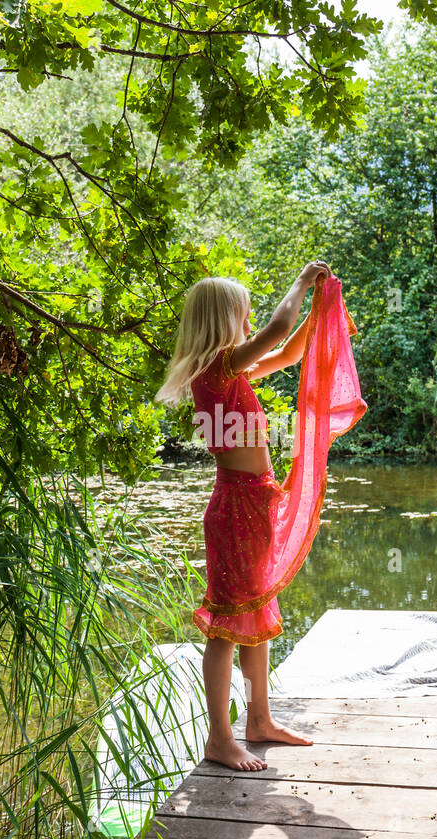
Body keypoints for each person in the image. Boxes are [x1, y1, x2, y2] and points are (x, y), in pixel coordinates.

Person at [157, 261, 356, 771]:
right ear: (223, 321)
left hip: (254, 500)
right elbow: (276, 330)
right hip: (235, 508)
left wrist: (320, 310)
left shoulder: (233, 369)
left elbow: (288, 350)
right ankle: (219, 738)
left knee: (256, 616)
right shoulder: (217, 370)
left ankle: (259, 719)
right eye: (242, 316)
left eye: (250, 317)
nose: (250, 325)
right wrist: (300, 283)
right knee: (226, 626)